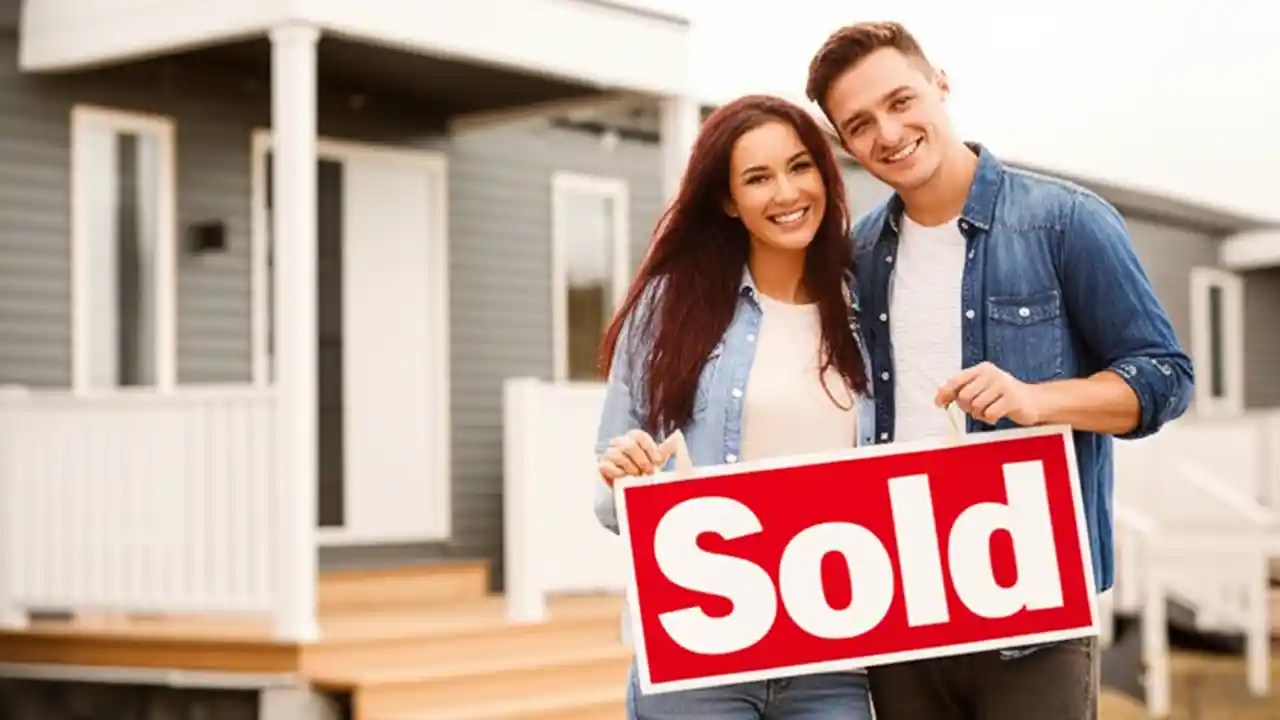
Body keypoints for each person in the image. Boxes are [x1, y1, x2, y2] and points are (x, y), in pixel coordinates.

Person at [803, 20, 1194, 720]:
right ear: (844, 144)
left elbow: (1165, 378)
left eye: (900, 101)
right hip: (899, 603)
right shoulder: (854, 255)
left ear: (940, 84)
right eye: (859, 124)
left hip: (1031, 609)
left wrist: (1040, 401)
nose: (887, 133)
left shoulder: (1065, 222)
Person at [591, 94, 876, 719]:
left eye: (800, 167)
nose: (786, 191)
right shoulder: (670, 308)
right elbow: (611, 499)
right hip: (702, 648)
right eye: (757, 177)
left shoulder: (864, 311)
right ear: (727, 200)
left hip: (834, 657)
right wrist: (629, 474)